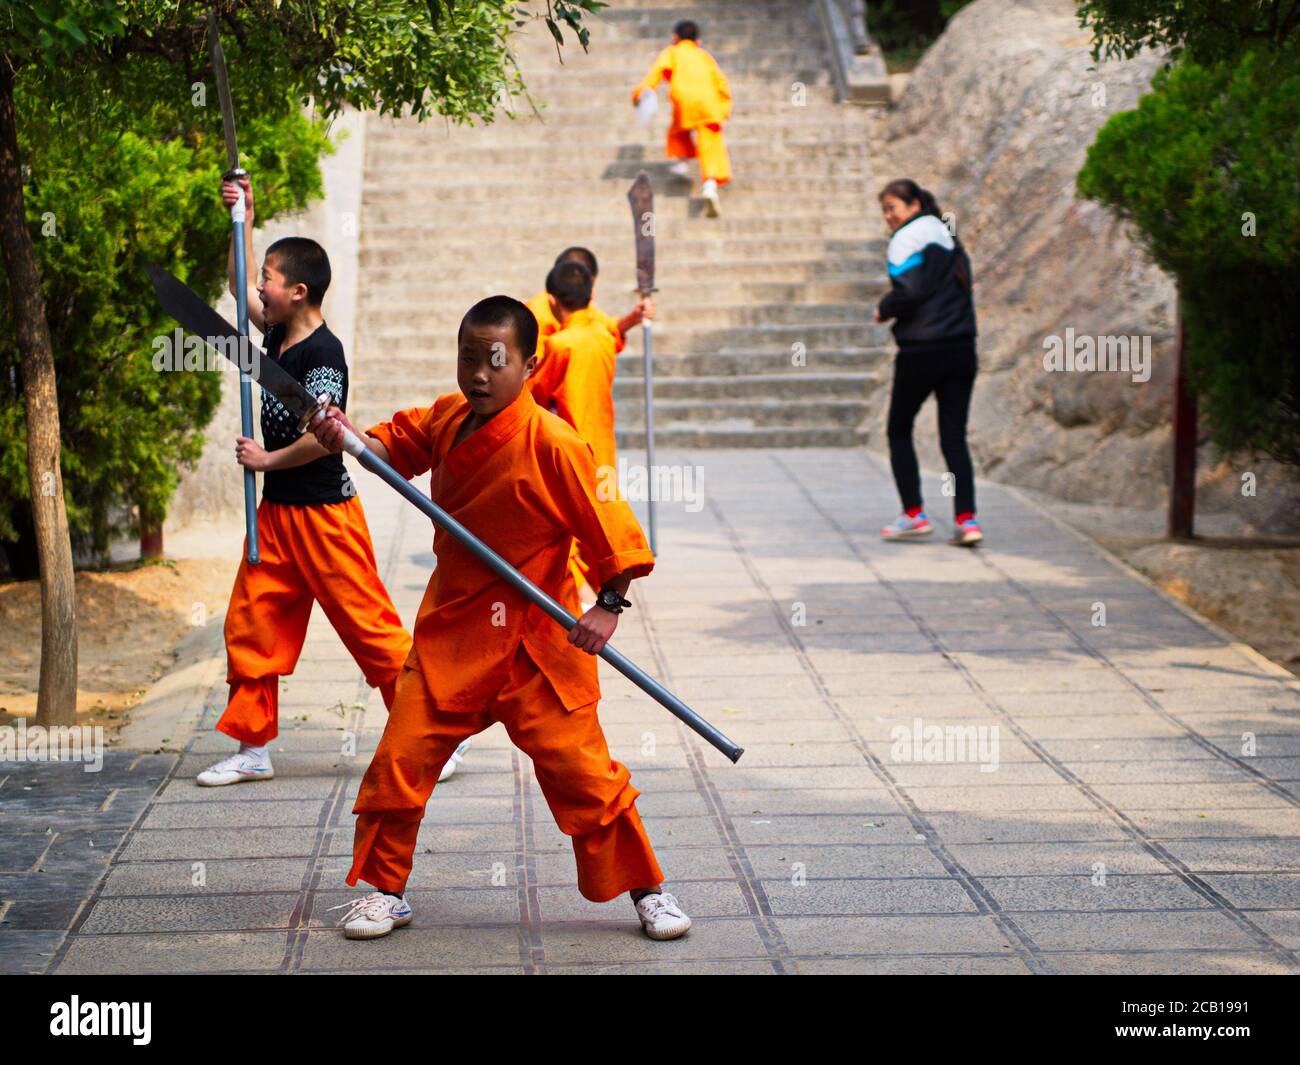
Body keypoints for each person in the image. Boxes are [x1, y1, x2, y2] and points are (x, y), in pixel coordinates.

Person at [313, 295, 691, 942]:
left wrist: (607, 605)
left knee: (586, 775)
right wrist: (347, 437)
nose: (480, 374)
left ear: (530, 364)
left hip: (533, 644)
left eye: (496, 360)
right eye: (469, 358)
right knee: (398, 761)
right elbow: (390, 444)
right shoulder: (447, 416)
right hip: (452, 633)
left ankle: (649, 890)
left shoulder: (555, 443)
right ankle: (384, 890)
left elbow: (613, 534)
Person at [197, 174, 413, 787]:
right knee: (252, 623)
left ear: (297, 291)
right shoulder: (272, 336)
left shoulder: (324, 355)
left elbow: (326, 436)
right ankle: (253, 746)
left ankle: (433, 738)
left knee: (372, 632)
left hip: (325, 516)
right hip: (277, 519)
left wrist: (264, 461)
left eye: (269, 277)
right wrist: (245, 217)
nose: (259, 286)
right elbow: (238, 292)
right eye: (261, 274)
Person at [874, 179, 982, 547]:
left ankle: (914, 514)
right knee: (954, 437)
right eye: (885, 210)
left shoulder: (906, 238)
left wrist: (884, 308)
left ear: (914, 204)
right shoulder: (947, 233)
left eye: (893, 207)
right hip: (962, 348)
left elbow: (910, 292)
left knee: (899, 430)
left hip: (922, 350)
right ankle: (967, 520)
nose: (889, 216)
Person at [528, 259, 623, 603]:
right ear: (591, 294)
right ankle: (606, 588)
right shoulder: (604, 337)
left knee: (560, 521)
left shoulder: (560, 345)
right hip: (603, 441)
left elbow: (536, 393)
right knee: (602, 518)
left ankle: (579, 592)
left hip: (571, 445)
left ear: (552, 300)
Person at [632, 19, 732, 217]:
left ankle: (681, 163)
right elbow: (722, 83)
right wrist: (724, 108)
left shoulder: (672, 52)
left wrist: (639, 94)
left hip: (684, 101)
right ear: (698, 41)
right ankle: (710, 184)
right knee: (710, 141)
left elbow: (656, 74)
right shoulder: (705, 56)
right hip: (709, 102)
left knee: (678, 129)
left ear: (674, 37)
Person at [524, 246, 652, 365]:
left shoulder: (580, 307)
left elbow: (605, 328)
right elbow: (535, 371)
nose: (592, 293)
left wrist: (631, 320)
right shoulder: (534, 315)